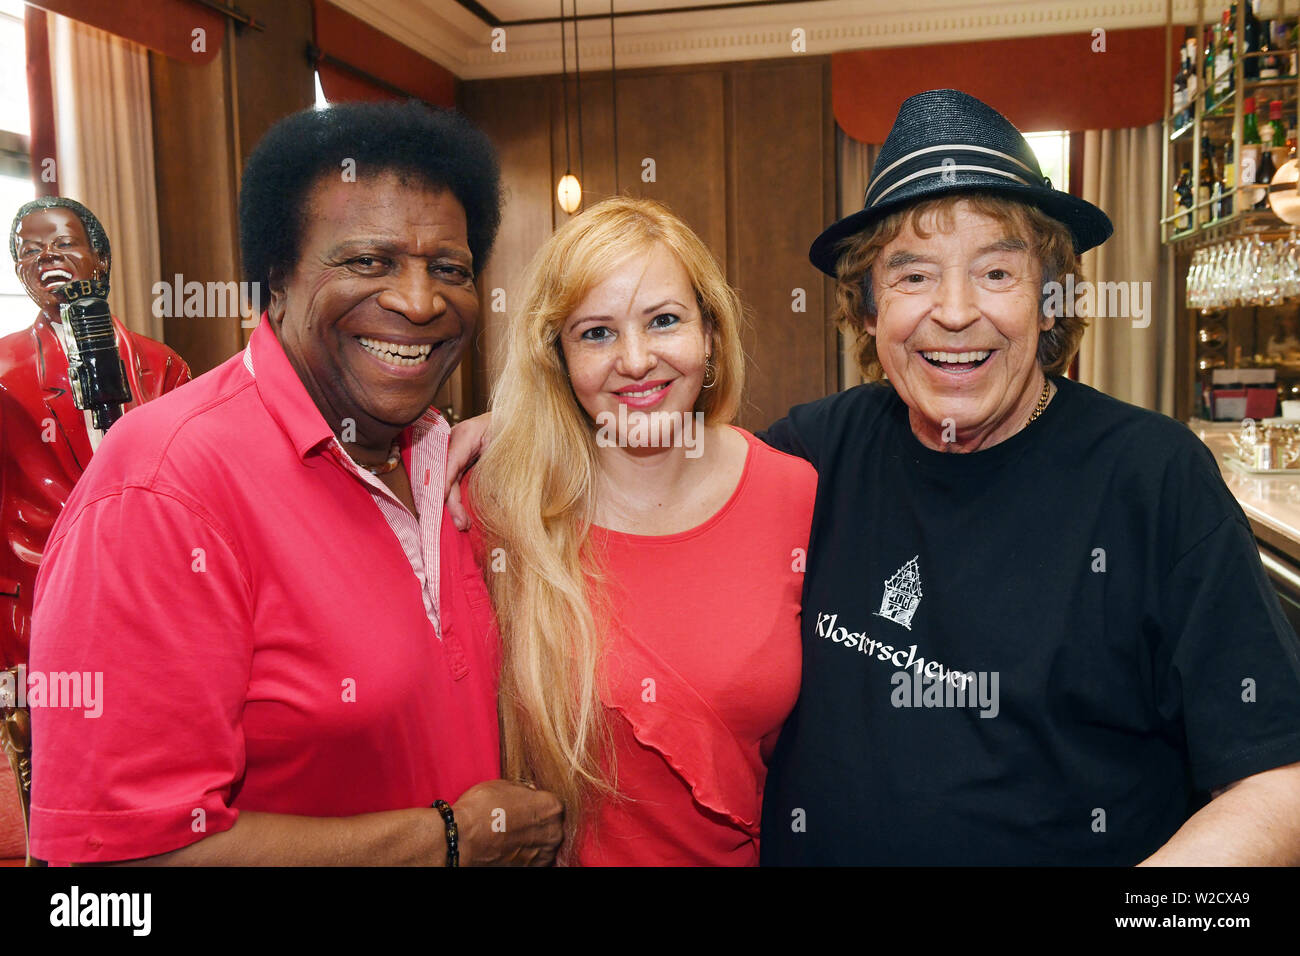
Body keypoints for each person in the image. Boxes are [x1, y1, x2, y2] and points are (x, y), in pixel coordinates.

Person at [753, 89, 1300, 865]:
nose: (954, 312)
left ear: (1050, 302)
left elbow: (1279, 782)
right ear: (869, 309)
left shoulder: (1153, 478)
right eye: (913, 276)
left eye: (996, 272)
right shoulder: (810, 453)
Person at [27, 101, 561, 865]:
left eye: (450, 269)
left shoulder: (449, 462)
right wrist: (450, 839)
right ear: (274, 283)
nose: (419, 301)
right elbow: (118, 867)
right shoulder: (160, 489)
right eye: (368, 262)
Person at [464, 196, 816, 864]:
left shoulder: (794, 494)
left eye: (663, 321)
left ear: (709, 334)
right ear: (558, 357)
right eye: (596, 333)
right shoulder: (499, 510)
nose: (635, 360)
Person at [0, 197, 190, 858]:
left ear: (101, 260)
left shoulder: (162, 366)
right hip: (38, 598)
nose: (46, 261)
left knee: (155, 761)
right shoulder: (2, 372)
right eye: (29, 252)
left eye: (62, 246)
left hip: (152, 595)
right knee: (47, 776)